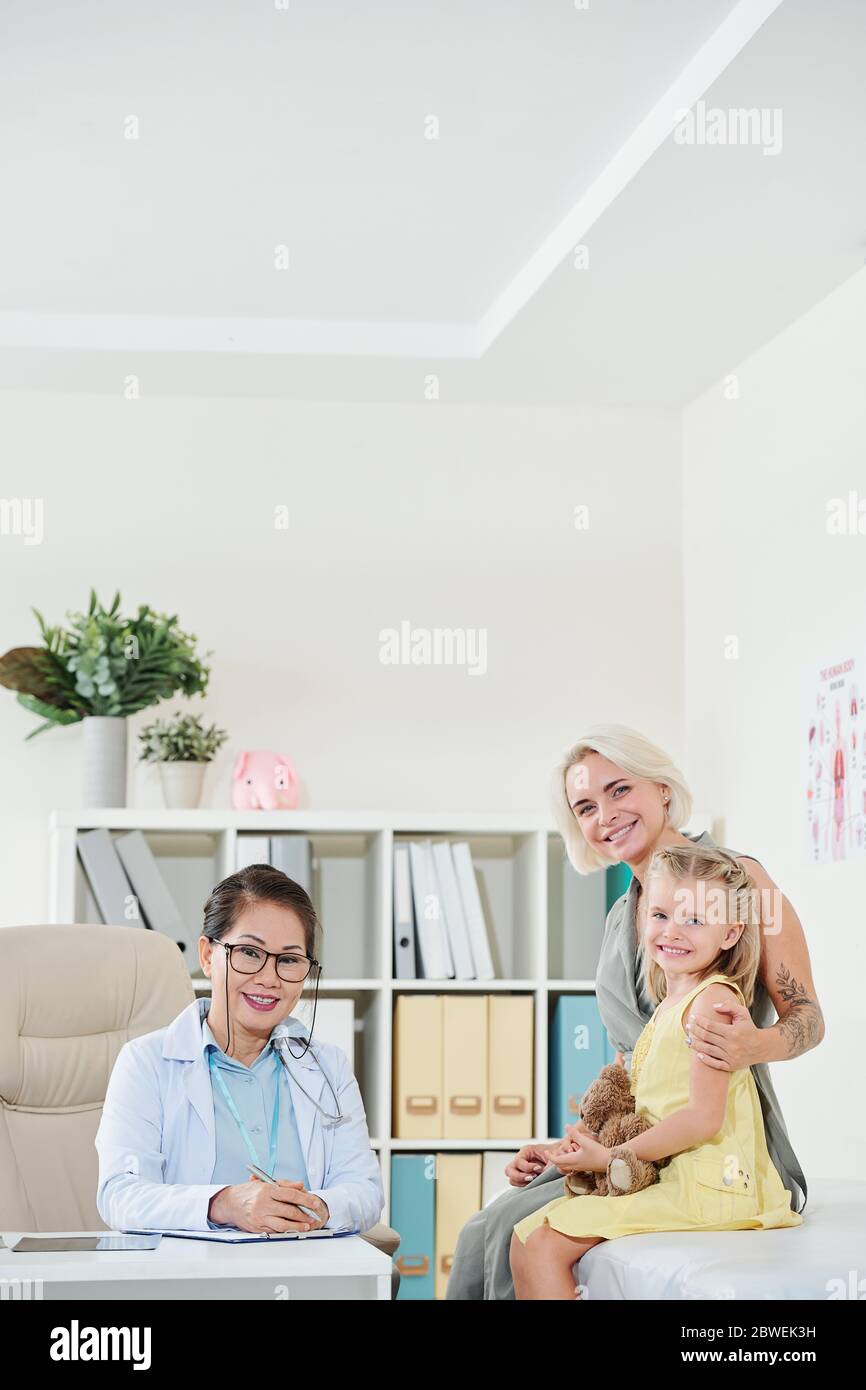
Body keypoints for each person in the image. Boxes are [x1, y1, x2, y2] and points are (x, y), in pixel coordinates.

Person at [446, 723, 823, 1299]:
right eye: (586, 806)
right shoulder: (623, 920)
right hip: (635, 1144)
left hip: (713, 1152)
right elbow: (640, 1072)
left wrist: (755, 1045)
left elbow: (808, 1019)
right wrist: (566, 1150)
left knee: (505, 1230)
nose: (606, 816)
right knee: (482, 1230)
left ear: (663, 789)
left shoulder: (742, 882)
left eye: (620, 790)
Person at [510, 843, 803, 1299]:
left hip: (714, 1186)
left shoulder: (713, 1002)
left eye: (694, 919)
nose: (673, 931)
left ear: (730, 933)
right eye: (661, 915)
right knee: (529, 1234)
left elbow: (702, 1118)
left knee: (540, 1242)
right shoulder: (671, 1002)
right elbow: (643, 1100)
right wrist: (561, 1150)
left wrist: (610, 1159)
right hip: (677, 1175)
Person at [95, 865, 383, 1236]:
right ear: (207, 955)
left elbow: (364, 1191)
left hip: (307, 1270)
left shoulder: (329, 1066)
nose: (269, 978)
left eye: (290, 960)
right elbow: (121, 1196)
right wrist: (224, 1204)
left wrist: (318, 1207)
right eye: (249, 952)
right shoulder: (146, 1063)